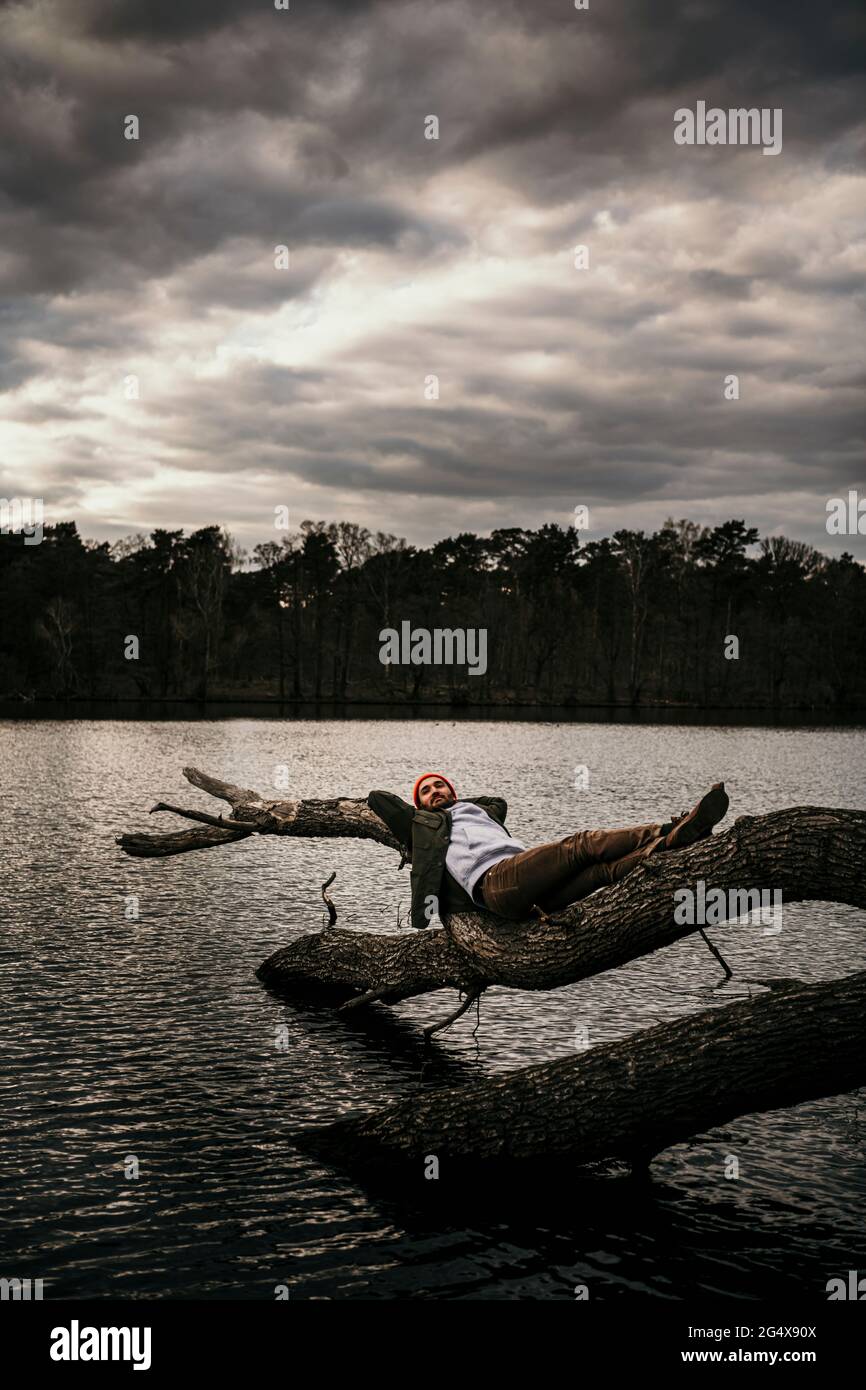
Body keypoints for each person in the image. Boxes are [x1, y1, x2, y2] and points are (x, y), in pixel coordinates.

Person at [367, 773, 729, 929]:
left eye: (441, 786)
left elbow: (498, 800)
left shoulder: (478, 810)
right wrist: (425, 811)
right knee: (581, 845)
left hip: (526, 893)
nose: (435, 792)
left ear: (455, 792)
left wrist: (457, 802)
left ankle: (666, 846)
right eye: (427, 791)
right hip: (496, 882)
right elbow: (379, 800)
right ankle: (667, 829)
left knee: (603, 873)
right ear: (418, 805)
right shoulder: (421, 826)